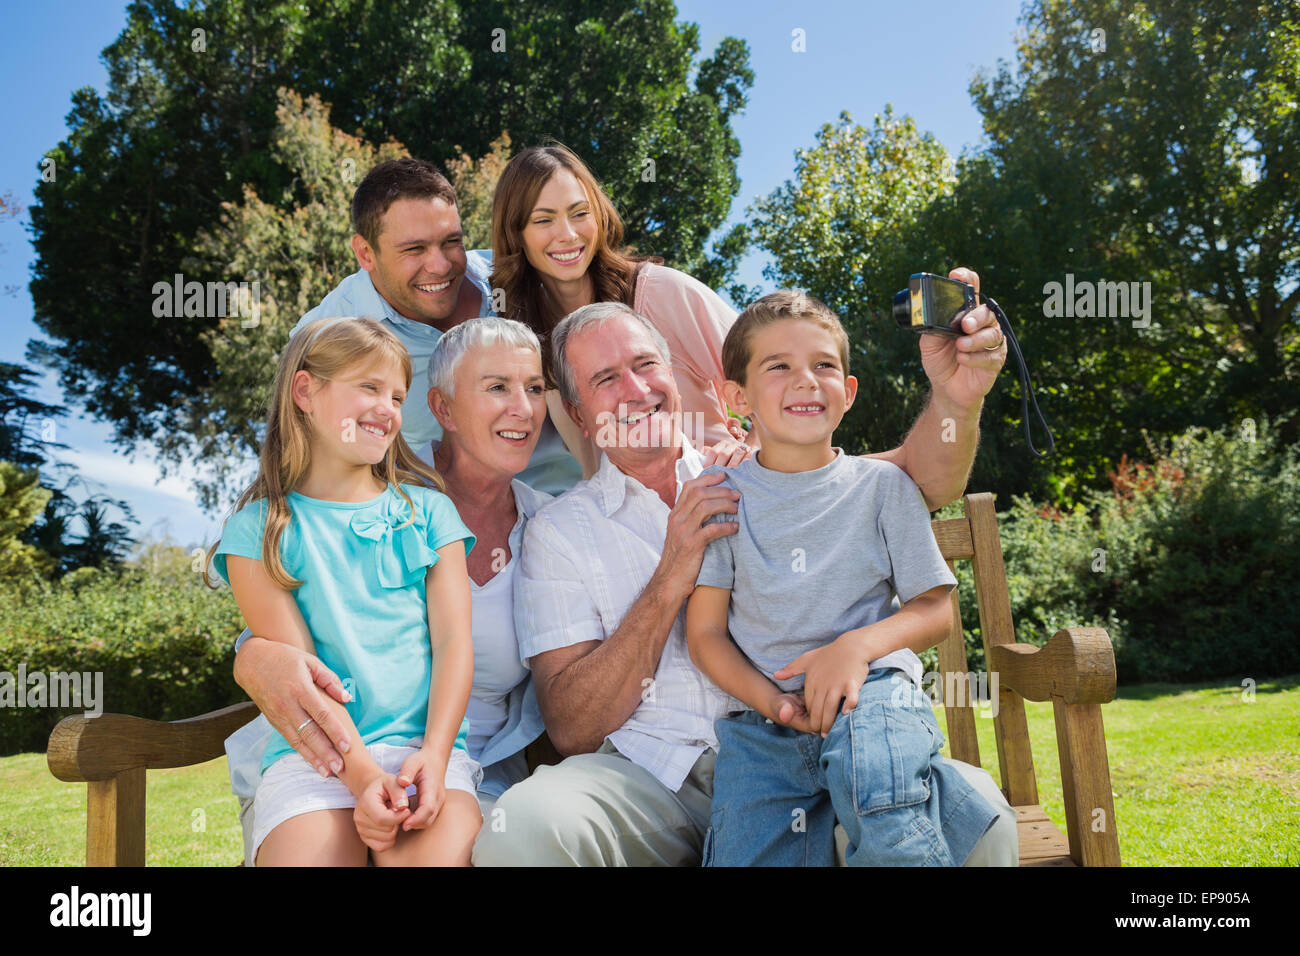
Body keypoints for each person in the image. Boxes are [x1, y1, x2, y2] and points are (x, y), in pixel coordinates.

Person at [472, 276, 1017, 866]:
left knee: (979, 822)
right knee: (522, 828)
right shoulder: (559, 531)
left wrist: (957, 399)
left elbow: (916, 476)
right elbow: (573, 727)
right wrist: (670, 575)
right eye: (606, 379)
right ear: (578, 412)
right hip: (658, 775)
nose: (635, 390)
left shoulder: (758, 468)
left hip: (829, 750)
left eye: (646, 364)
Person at [685, 290, 1004, 866]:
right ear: (737, 398)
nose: (805, 381)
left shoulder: (883, 489)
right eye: (778, 366)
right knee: (741, 852)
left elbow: (935, 609)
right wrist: (775, 704)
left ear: (848, 392)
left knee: (885, 805)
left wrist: (853, 649)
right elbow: (705, 634)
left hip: (873, 700)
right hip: (766, 725)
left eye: (824, 366)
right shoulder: (724, 500)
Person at [229, 318, 554, 865]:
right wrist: (360, 778)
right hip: (318, 759)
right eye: (368, 387)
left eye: (397, 395)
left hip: (427, 755)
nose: (386, 407)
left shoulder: (428, 511)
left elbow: (455, 646)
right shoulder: (259, 531)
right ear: (305, 391)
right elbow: (303, 679)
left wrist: (433, 753)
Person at [490, 143, 747, 476]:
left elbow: (777, 379)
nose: (567, 235)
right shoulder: (530, 343)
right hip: (626, 523)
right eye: (543, 220)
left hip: (726, 501)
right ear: (517, 234)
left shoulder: (663, 293)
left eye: (579, 213)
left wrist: (751, 454)